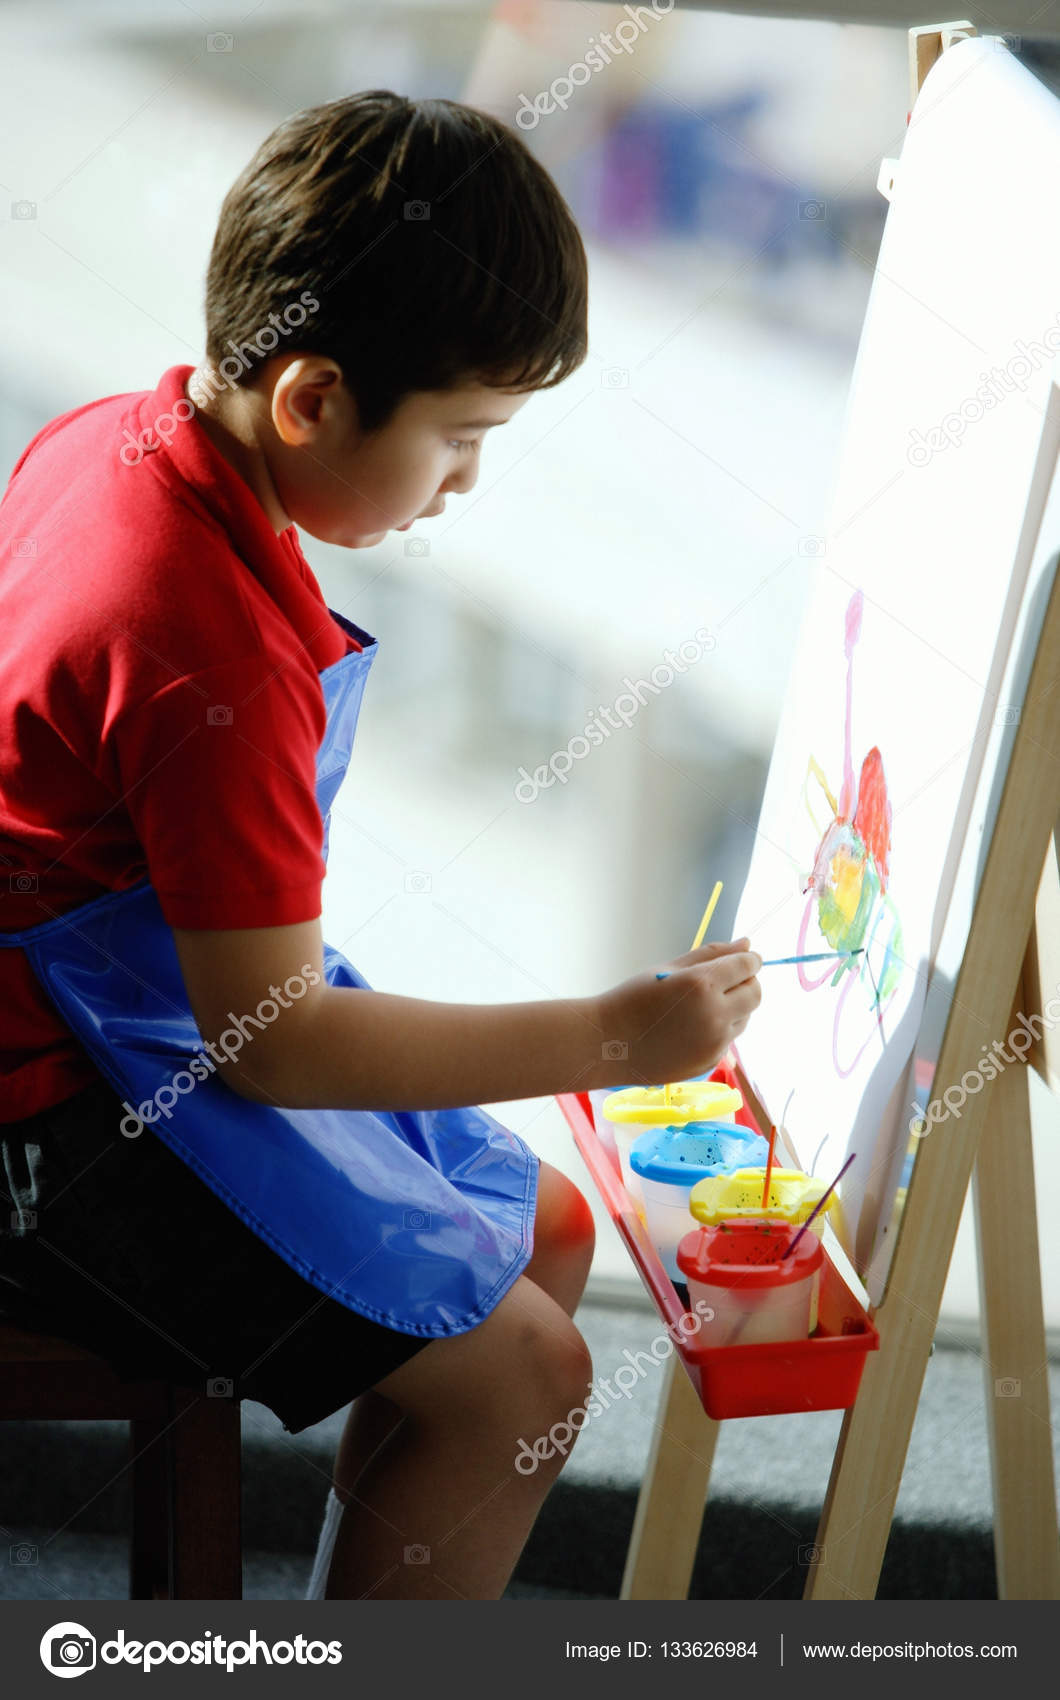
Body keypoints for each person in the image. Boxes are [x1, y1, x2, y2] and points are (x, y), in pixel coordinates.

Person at [0, 90, 762, 1601]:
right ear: (311, 398)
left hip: (125, 1013)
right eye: (464, 438)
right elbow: (274, 1044)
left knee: (540, 1223)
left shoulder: (120, 434)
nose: (469, 481)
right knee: (531, 1381)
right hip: (47, 1113)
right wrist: (614, 1034)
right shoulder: (204, 649)